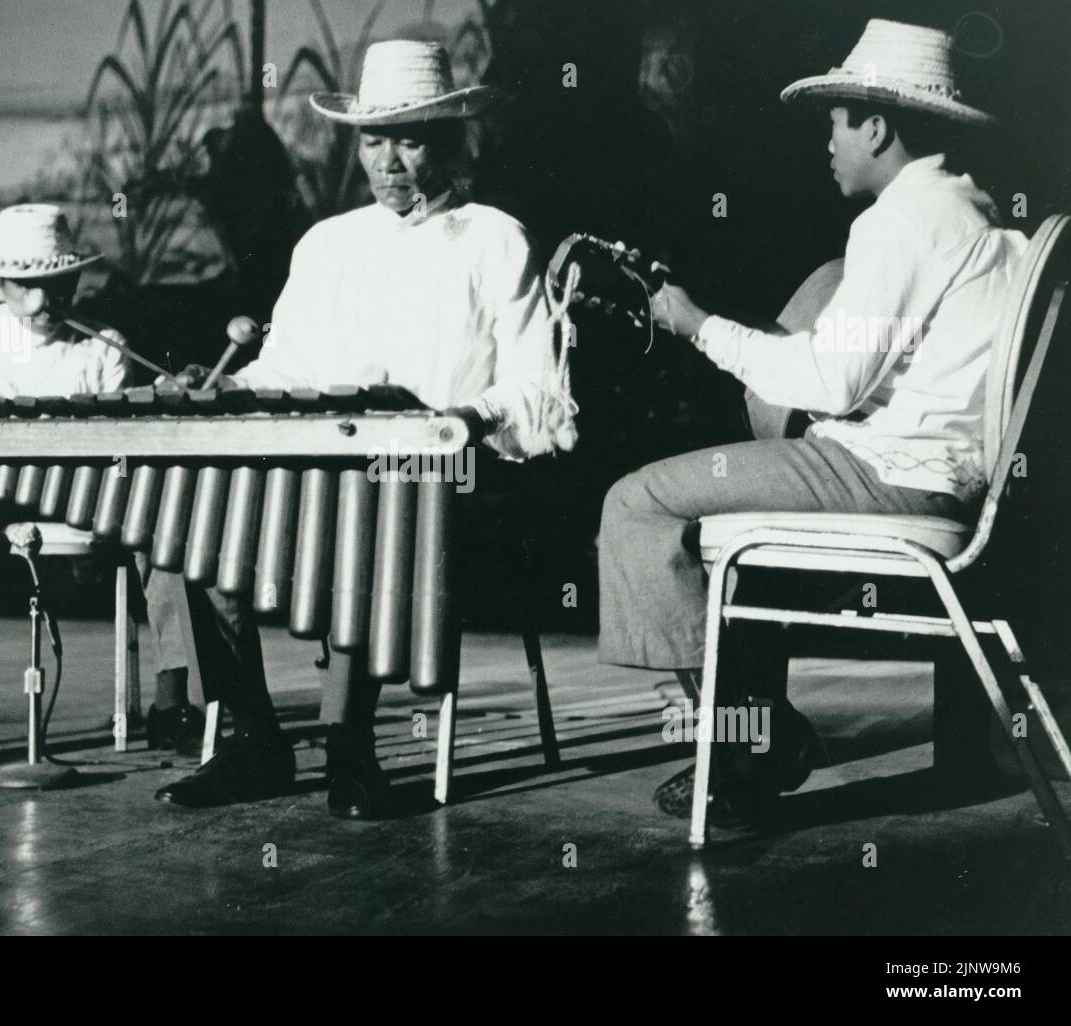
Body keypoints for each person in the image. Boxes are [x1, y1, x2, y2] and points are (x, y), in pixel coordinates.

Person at [597, 19, 1028, 824]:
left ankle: (747, 743)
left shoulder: (902, 220)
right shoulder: (976, 215)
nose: (826, 140)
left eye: (835, 120)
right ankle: (759, 740)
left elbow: (830, 380)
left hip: (893, 479)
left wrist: (699, 327)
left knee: (636, 502)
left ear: (877, 124)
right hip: (929, 474)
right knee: (736, 495)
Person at [154, 40, 577, 817]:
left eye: (409, 140)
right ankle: (253, 739)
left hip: (449, 479)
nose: (388, 162)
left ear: (449, 142)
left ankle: (350, 745)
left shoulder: (497, 238)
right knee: (190, 522)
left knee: (376, 506)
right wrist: (218, 390)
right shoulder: (327, 245)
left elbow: (538, 390)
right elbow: (281, 370)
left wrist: (465, 419)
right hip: (324, 473)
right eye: (375, 141)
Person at [0, 204, 257, 773]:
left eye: (57, 284)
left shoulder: (103, 347)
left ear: (74, 279)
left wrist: (160, 402)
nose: (44, 300)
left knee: (161, 516)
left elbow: (122, 451)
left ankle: (174, 701)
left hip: (81, 498)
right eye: (27, 286)